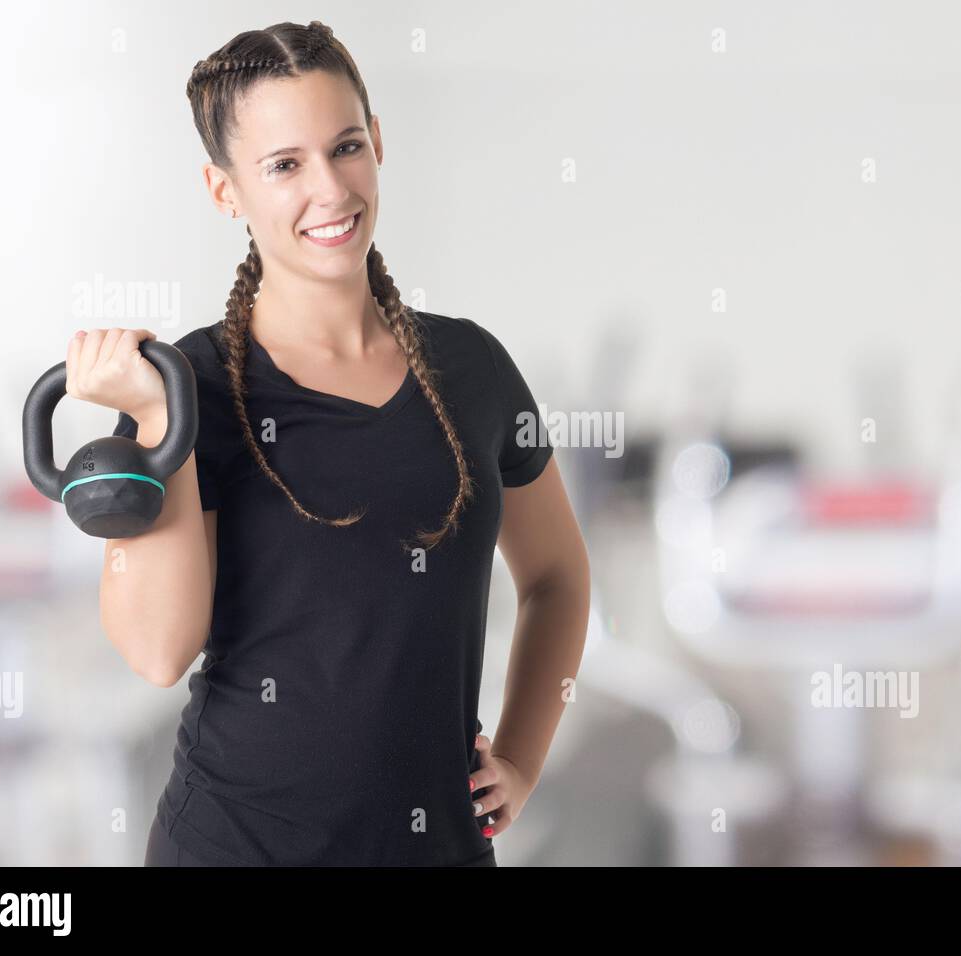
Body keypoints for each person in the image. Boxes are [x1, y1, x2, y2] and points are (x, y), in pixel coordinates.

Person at [69, 20, 591, 866]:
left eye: (345, 146)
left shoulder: (474, 368)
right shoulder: (183, 390)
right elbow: (158, 651)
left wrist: (524, 759)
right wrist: (157, 423)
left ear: (378, 142)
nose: (330, 189)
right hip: (231, 846)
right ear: (224, 189)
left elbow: (559, 577)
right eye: (284, 165)